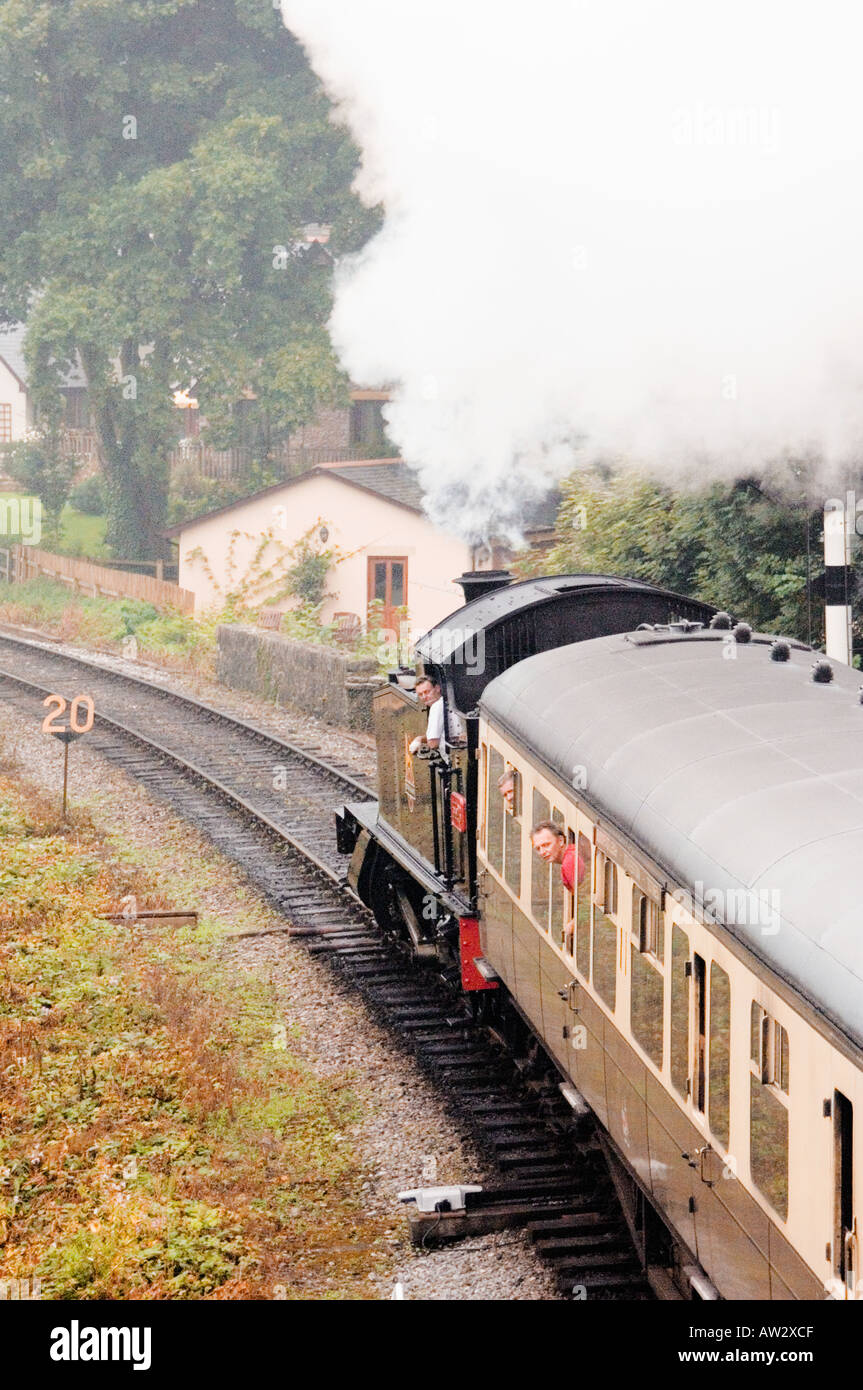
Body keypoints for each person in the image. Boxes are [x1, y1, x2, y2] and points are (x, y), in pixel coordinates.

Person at [531, 820, 585, 949]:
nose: (542, 852)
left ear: (560, 841)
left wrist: (573, 924)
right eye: (538, 848)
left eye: (546, 845)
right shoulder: (571, 856)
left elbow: (587, 900)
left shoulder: (570, 863)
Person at [412, 674, 463, 755]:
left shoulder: (436, 707)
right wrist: (420, 739)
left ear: (437, 688)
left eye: (427, 692)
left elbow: (433, 743)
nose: (424, 697)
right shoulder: (447, 702)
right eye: (420, 694)